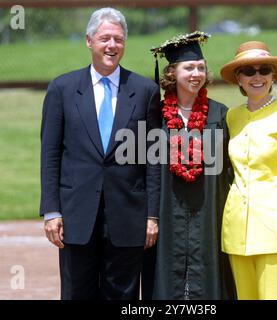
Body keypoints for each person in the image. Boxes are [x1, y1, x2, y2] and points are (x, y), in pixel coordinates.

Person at [39, 7, 161, 300]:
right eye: (105, 38)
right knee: (77, 293)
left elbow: (153, 160)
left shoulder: (145, 90)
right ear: (89, 41)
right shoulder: (62, 89)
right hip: (76, 216)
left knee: (123, 296)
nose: (112, 46)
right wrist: (52, 210)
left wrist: (152, 216)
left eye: (118, 39)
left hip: (128, 217)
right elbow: (50, 154)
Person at [142, 31, 236, 300]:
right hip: (167, 209)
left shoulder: (219, 114)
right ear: (172, 72)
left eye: (201, 67)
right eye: (189, 67)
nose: (196, 73)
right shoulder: (155, 115)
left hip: (209, 212)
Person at [219, 41, 277, 300]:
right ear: (238, 78)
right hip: (237, 230)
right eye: (248, 71)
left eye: (264, 69)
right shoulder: (231, 117)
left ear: (273, 76)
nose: (257, 76)